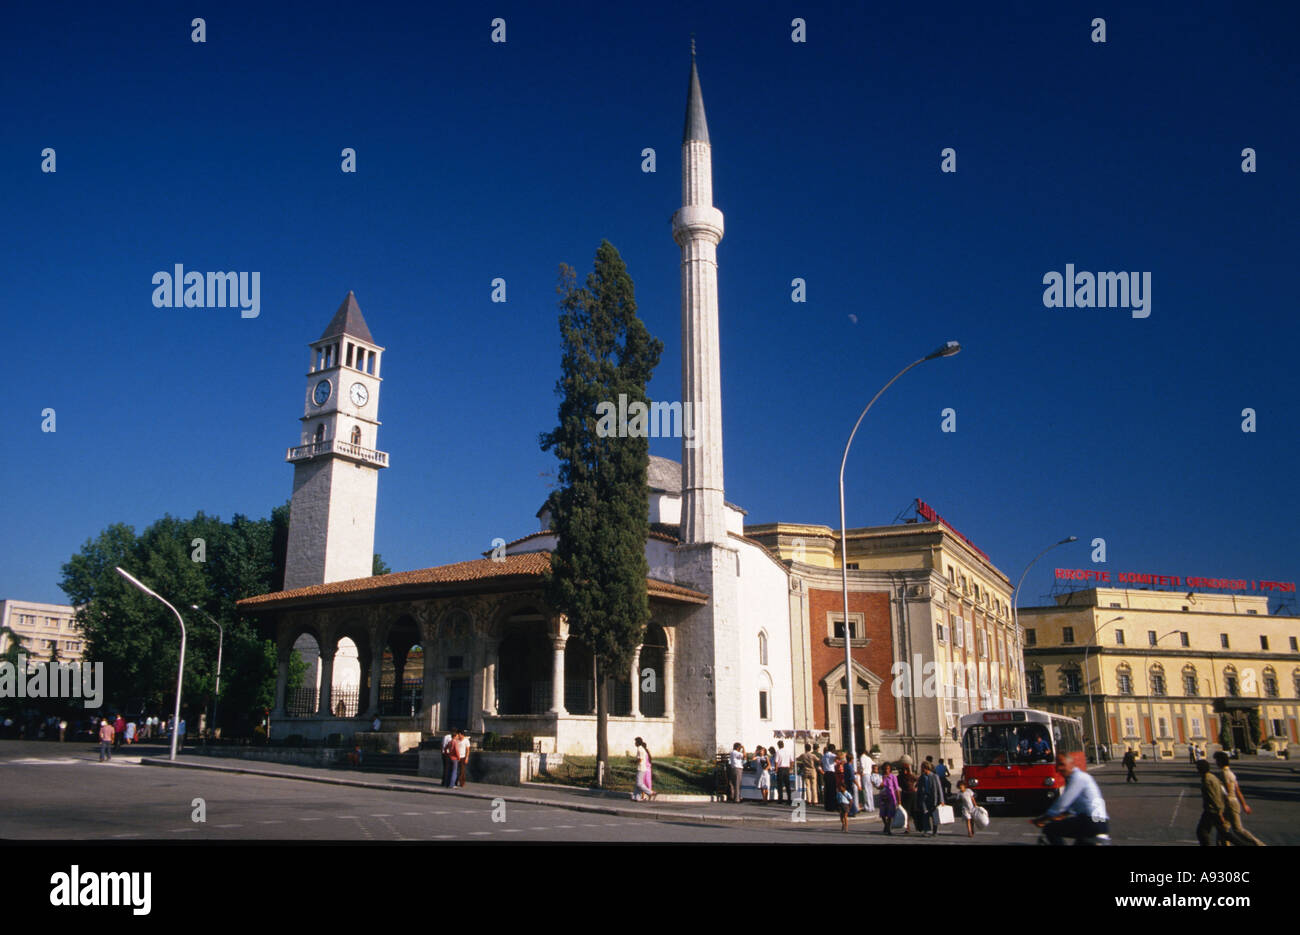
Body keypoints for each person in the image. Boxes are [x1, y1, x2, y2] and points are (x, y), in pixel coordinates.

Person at [1033, 754, 1109, 845]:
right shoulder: (1076, 778)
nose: (1059, 768)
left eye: (1062, 764)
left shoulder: (1078, 777)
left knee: (1049, 829)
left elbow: (1062, 803)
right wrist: (1061, 816)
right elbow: (1072, 807)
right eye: (1057, 765)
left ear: (1071, 764)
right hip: (1097, 823)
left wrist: (1044, 818)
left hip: (1091, 821)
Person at [1213, 751, 1265, 846]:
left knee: (1238, 829)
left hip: (1229, 803)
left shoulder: (1224, 774)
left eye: (1217, 760)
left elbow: (1227, 791)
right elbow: (1238, 791)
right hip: (1233, 802)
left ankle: (1259, 844)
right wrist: (1244, 804)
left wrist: (1218, 796)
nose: (1216, 763)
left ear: (1220, 761)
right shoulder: (1231, 773)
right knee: (1223, 828)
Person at [1194, 758, 1230, 846]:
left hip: (1212, 811)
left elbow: (1213, 797)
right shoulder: (1212, 776)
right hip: (1214, 810)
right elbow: (1222, 791)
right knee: (1223, 834)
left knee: (1202, 832)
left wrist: (1220, 812)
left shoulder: (1207, 780)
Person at [916, 760, 943, 835]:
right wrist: (918, 800)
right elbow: (919, 789)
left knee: (934, 815)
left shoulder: (934, 776)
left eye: (923, 768)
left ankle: (935, 830)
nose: (922, 769)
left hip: (933, 798)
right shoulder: (922, 777)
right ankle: (926, 830)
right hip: (924, 798)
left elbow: (939, 789)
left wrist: (941, 800)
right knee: (925, 814)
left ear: (926, 768)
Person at [878, 762, 900, 835]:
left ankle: (888, 827)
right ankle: (886, 825)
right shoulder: (881, 776)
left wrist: (899, 799)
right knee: (883, 813)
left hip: (891, 796)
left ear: (890, 769)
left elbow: (896, 788)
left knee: (890, 814)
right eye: (885, 769)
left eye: (888, 768)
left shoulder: (893, 777)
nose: (886, 770)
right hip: (883, 797)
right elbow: (879, 786)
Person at [633, 737, 655, 801]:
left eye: (635, 742)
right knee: (638, 783)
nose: (635, 743)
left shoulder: (639, 749)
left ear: (638, 742)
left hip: (641, 768)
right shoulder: (642, 749)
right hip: (642, 767)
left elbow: (640, 759)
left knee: (639, 784)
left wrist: (634, 762)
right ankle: (636, 797)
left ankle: (650, 792)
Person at [898, 761, 918, 833]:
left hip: (912, 794)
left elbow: (918, 780)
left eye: (906, 770)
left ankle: (917, 825)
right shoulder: (899, 777)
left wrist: (916, 788)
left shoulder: (911, 776)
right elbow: (896, 784)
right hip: (905, 794)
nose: (905, 772)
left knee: (914, 811)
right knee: (906, 812)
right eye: (903, 770)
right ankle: (907, 827)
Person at [834, 752, 851, 831]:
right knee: (841, 816)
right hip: (838, 780)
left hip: (846, 804)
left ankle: (846, 827)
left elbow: (850, 799)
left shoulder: (841, 765)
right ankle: (843, 824)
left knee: (845, 816)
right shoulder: (838, 765)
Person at [821, 744, 839, 813]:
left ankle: (827, 806)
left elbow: (822, 763)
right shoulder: (831, 755)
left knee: (827, 790)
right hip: (831, 773)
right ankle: (832, 806)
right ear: (833, 749)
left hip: (826, 773)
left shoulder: (824, 755)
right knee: (832, 790)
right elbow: (838, 757)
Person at [842, 750, 859, 818]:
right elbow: (852, 778)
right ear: (851, 759)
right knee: (850, 798)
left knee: (848, 797)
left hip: (846, 783)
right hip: (849, 783)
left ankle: (852, 810)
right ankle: (854, 810)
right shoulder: (849, 766)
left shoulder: (845, 765)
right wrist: (858, 785)